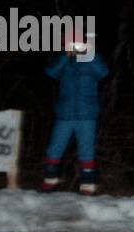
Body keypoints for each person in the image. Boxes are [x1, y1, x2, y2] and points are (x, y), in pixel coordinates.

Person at [42, 33, 108, 195]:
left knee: (86, 150)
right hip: (64, 114)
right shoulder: (64, 60)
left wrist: (89, 54)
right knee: (54, 148)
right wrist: (65, 56)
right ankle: (50, 179)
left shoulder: (92, 58)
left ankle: (88, 184)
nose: (74, 46)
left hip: (87, 114)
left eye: (76, 43)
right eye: (69, 44)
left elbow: (103, 72)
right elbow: (51, 73)